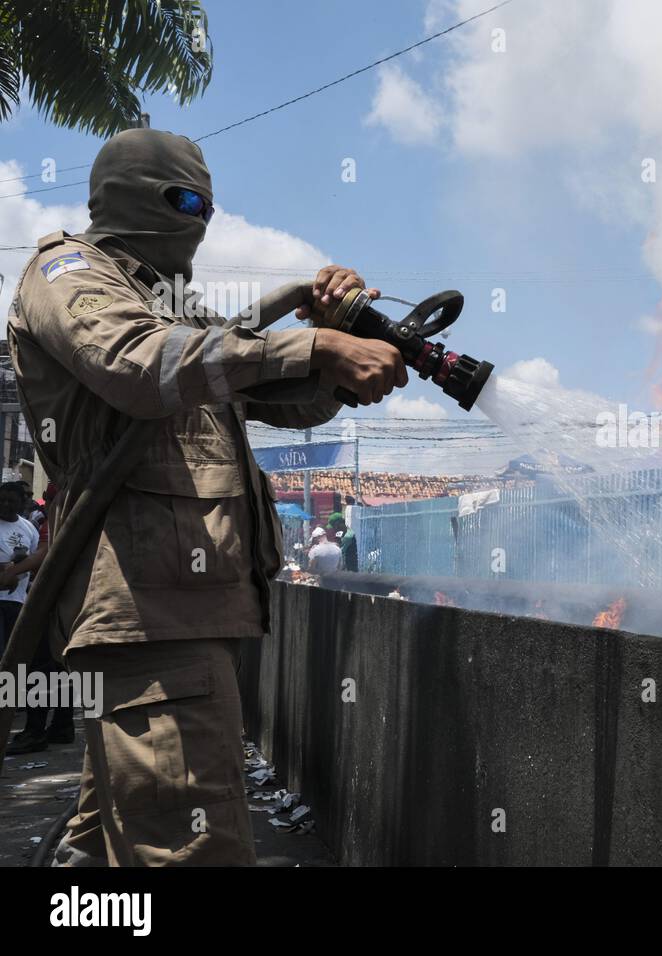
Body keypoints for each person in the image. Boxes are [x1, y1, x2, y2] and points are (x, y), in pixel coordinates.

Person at [6, 127, 406, 866]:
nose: (202, 219)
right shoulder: (71, 271)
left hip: (173, 619)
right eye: (188, 200)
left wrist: (327, 346)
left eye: (210, 205)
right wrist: (314, 346)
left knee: (107, 848)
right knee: (192, 849)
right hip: (150, 622)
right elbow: (135, 362)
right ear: (137, 197)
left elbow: (272, 394)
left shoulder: (174, 317)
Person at [4, 481, 76, 754]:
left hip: (52, 601)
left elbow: (46, 553)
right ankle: (62, 726)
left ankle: (34, 731)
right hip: (72, 601)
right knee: (62, 669)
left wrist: (11, 572)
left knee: (40, 668)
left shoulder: (61, 515)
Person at [0, 481, 40, 657]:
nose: (5, 505)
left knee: (12, 653)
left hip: (17, 601)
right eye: (1, 500)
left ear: (21, 503)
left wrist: (21, 565)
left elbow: (36, 559)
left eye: (11, 501)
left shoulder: (29, 528)